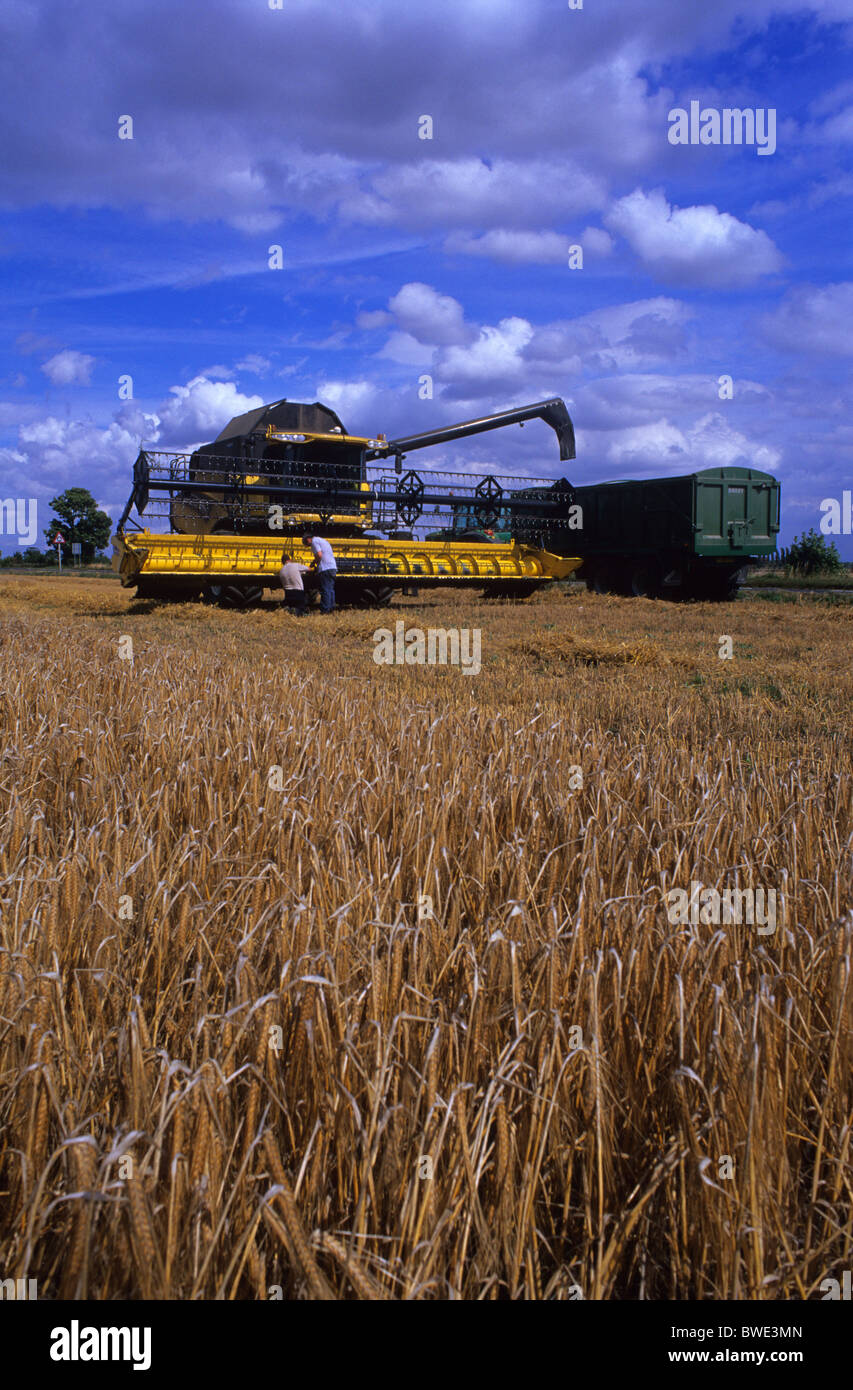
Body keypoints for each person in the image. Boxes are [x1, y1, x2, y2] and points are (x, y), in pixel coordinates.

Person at [302, 533, 337, 613]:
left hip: (325, 568)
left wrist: (316, 565)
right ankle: (331, 608)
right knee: (330, 589)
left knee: (325, 590)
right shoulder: (323, 540)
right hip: (332, 567)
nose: (308, 546)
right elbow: (323, 554)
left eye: (306, 544)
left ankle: (325, 610)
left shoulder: (314, 542)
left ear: (308, 539)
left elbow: (319, 555)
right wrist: (314, 561)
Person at [279, 550, 309, 615]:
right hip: (298, 592)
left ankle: (289, 609)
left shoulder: (281, 571)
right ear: (290, 560)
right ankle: (297, 611)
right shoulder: (296, 565)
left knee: (291, 605)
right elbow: (308, 569)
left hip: (288, 593)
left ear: (282, 562)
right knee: (301, 609)